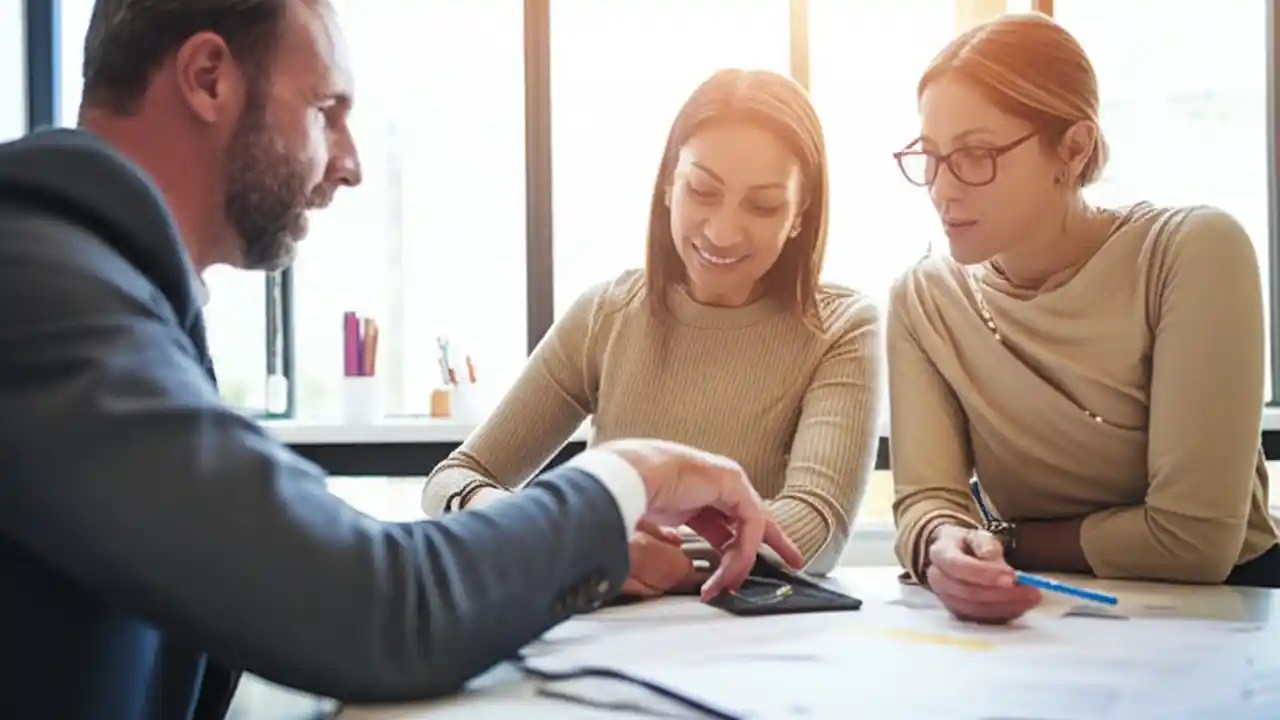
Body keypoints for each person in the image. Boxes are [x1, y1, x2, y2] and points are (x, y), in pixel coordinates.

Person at [0, 1, 804, 718]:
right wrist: (627, 476)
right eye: (326, 110)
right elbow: (373, 607)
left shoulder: (102, 288)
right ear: (209, 76)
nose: (348, 163)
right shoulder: (41, 292)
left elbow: (314, 565)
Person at [421, 68, 883, 595]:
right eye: (703, 190)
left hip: (752, 642)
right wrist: (553, 538)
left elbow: (813, 528)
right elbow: (454, 480)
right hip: (609, 638)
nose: (722, 231)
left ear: (801, 215)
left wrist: (624, 556)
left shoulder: (843, 328)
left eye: (763, 205)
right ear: (668, 184)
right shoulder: (606, 316)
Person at [887, 11, 1280, 625]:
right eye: (930, 156)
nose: (942, 189)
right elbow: (927, 504)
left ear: (1073, 149)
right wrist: (944, 546)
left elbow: (1194, 545)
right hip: (1028, 614)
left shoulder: (1190, 253)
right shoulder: (927, 298)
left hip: (1226, 611)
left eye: (975, 155)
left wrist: (1004, 539)